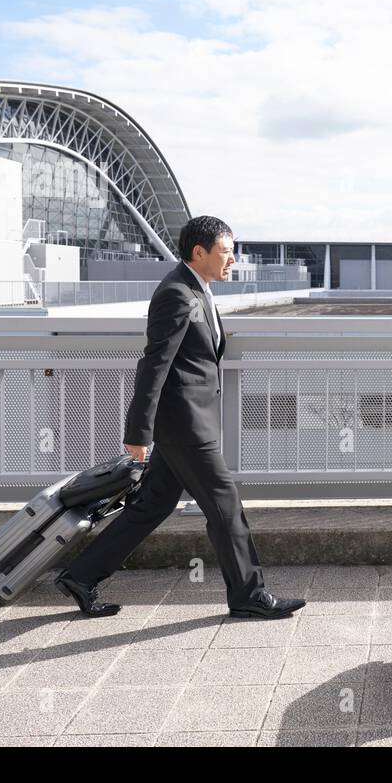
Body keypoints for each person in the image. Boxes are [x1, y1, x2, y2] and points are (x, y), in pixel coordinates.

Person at [56, 216, 305, 620]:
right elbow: (154, 364)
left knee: (152, 505)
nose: (232, 259)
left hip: (187, 421)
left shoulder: (196, 288)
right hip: (186, 427)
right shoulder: (176, 293)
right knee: (226, 505)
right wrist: (138, 432)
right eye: (226, 252)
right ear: (199, 252)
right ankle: (249, 595)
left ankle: (81, 576)